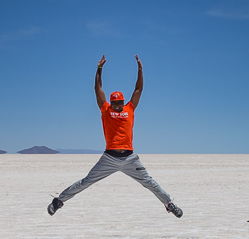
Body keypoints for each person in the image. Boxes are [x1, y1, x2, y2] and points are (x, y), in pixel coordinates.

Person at [48, 55, 182, 218]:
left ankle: (169, 204)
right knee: (86, 182)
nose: (118, 106)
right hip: (109, 158)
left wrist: (140, 70)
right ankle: (58, 201)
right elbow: (98, 89)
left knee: (149, 182)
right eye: (115, 103)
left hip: (130, 158)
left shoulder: (130, 109)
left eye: (120, 103)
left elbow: (138, 89)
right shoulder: (105, 110)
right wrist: (99, 70)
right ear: (111, 103)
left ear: (123, 102)